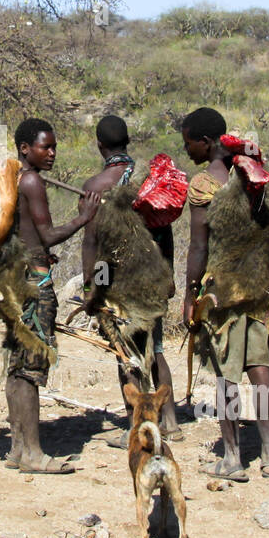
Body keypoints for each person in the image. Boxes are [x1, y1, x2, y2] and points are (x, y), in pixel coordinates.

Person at [180, 108, 269, 481]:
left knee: (227, 377)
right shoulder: (254, 177)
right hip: (259, 288)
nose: (187, 150)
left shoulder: (204, 185)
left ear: (206, 142)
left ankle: (233, 458)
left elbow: (198, 248)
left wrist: (191, 295)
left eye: (189, 142)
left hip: (222, 292)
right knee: (262, 371)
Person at [78, 115, 181, 446]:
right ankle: (171, 422)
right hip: (152, 276)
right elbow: (164, 233)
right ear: (127, 142)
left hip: (117, 281)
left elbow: (95, 245)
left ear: (100, 145)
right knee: (157, 349)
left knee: (127, 354)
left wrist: (92, 289)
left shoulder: (97, 187)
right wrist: (169, 274)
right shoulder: (149, 180)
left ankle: (138, 426)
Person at [6, 118, 101, 473]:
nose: (52, 153)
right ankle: (32, 453)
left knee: (16, 368)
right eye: (45, 147)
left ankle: (18, 449)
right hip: (35, 288)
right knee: (31, 369)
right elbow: (45, 234)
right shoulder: (31, 181)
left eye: (54, 147)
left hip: (16, 280)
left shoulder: (13, 178)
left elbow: (29, 235)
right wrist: (83, 218)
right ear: (24, 148)